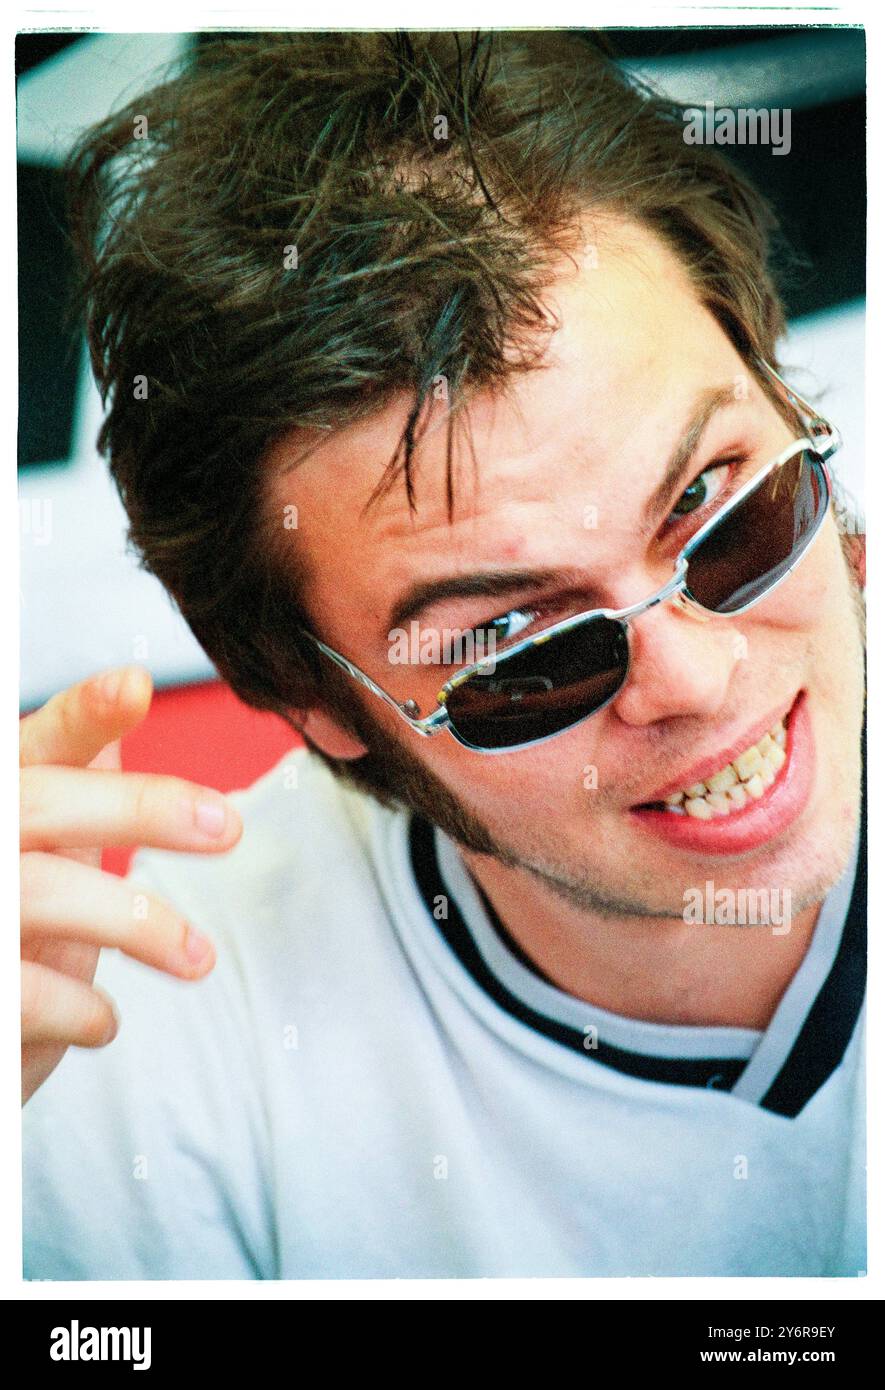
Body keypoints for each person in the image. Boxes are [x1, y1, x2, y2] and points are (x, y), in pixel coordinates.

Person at [21, 31, 866, 1279]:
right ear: (320, 706)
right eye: (523, 652)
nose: (695, 678)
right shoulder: (141, 1047)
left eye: (728, 514)